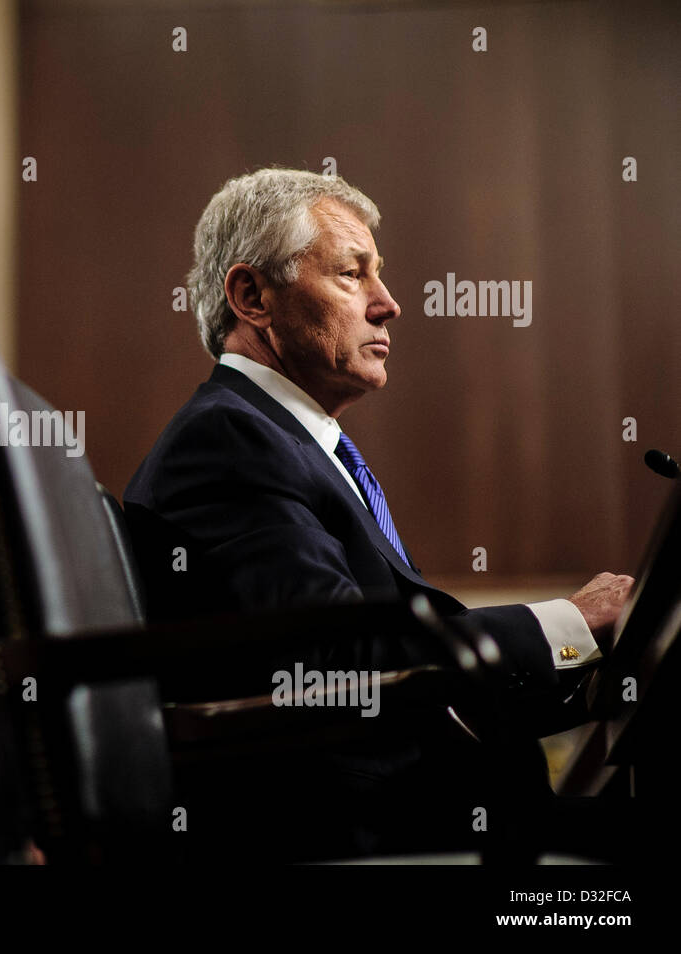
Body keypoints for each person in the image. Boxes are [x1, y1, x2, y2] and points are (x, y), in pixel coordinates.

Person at [123, 168, 635, 860]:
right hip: (353, 832)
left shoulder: (286, 442)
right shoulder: (227, 440)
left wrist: (583, 664)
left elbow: (390, 667)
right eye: (351, 274)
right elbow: (338, 662)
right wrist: (571, 622)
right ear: (252, 296)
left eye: (380, 276)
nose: (389, 303)